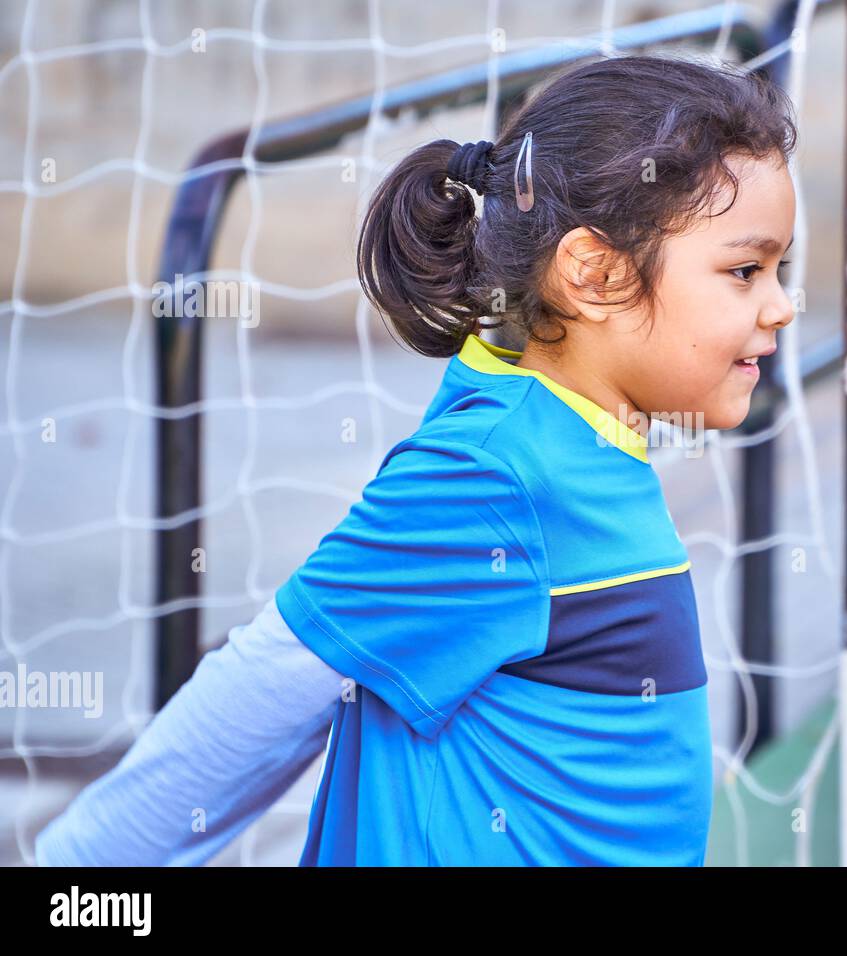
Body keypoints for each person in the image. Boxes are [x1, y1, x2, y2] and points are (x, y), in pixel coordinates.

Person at [36, 51, 798, 866]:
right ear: (595, 274)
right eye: (745, 271)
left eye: (778, 271)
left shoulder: (571, 434)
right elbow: (262, 692)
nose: (782, 308)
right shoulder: (494, 478)